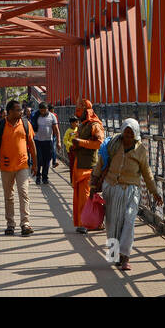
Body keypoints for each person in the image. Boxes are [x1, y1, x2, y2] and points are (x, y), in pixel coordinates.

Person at [90, 118, 161, 272]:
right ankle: (115, 254)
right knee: (113, 223)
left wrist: (154, 191)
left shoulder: (140, 150)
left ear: (136, 134)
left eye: (132, 133)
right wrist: (93, 184)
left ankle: (125, 257)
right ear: (122, 132)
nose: (128, 136)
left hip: (131, 190)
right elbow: (100, 164)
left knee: (129, 222)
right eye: (126, 132)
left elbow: (147, 173)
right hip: (112, 188)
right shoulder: (113, 145)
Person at [0, 99, 38, 236]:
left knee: (24, 193)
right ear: (9, 111)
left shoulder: (26, 124)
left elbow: (32, 144)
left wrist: (35, 163)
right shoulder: (0, 125)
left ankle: (25, 224)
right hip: (6, 166)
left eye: (21, 109)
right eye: (17, 110)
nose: (20, 112)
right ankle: (10, 224)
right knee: (8, 196)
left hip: (23, 165)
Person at [68, 98, 105, 234]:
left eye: (80, 110)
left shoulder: (94, 124)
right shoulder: (83, 124)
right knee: (80, 196)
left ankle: (88, 223)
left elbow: (99, 143)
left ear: (86, 111)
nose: (77, 113)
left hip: (89, 167)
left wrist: (81, 142)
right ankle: (84, 222)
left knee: (86, 196)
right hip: (79, 165)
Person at [31, 102, 59, 184]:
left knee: (47, 160)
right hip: (37, 141)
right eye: (41, 111)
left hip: (48, 141)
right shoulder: (36, 116)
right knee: (39, 159)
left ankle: (45, 177)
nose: (42, 112)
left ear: (47, 109)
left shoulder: (52, 116)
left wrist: (58, 142)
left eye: (44, 110)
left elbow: (56, 130)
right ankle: (38, 176)